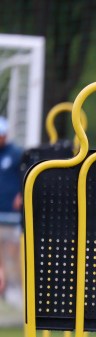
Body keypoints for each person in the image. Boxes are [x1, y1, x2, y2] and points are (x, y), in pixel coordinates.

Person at [0, 116, 23, 302]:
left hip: (10, 217)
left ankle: (14, 295)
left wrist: (21, 194)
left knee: (10, 256)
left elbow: (26, 176)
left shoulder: (16, 154)